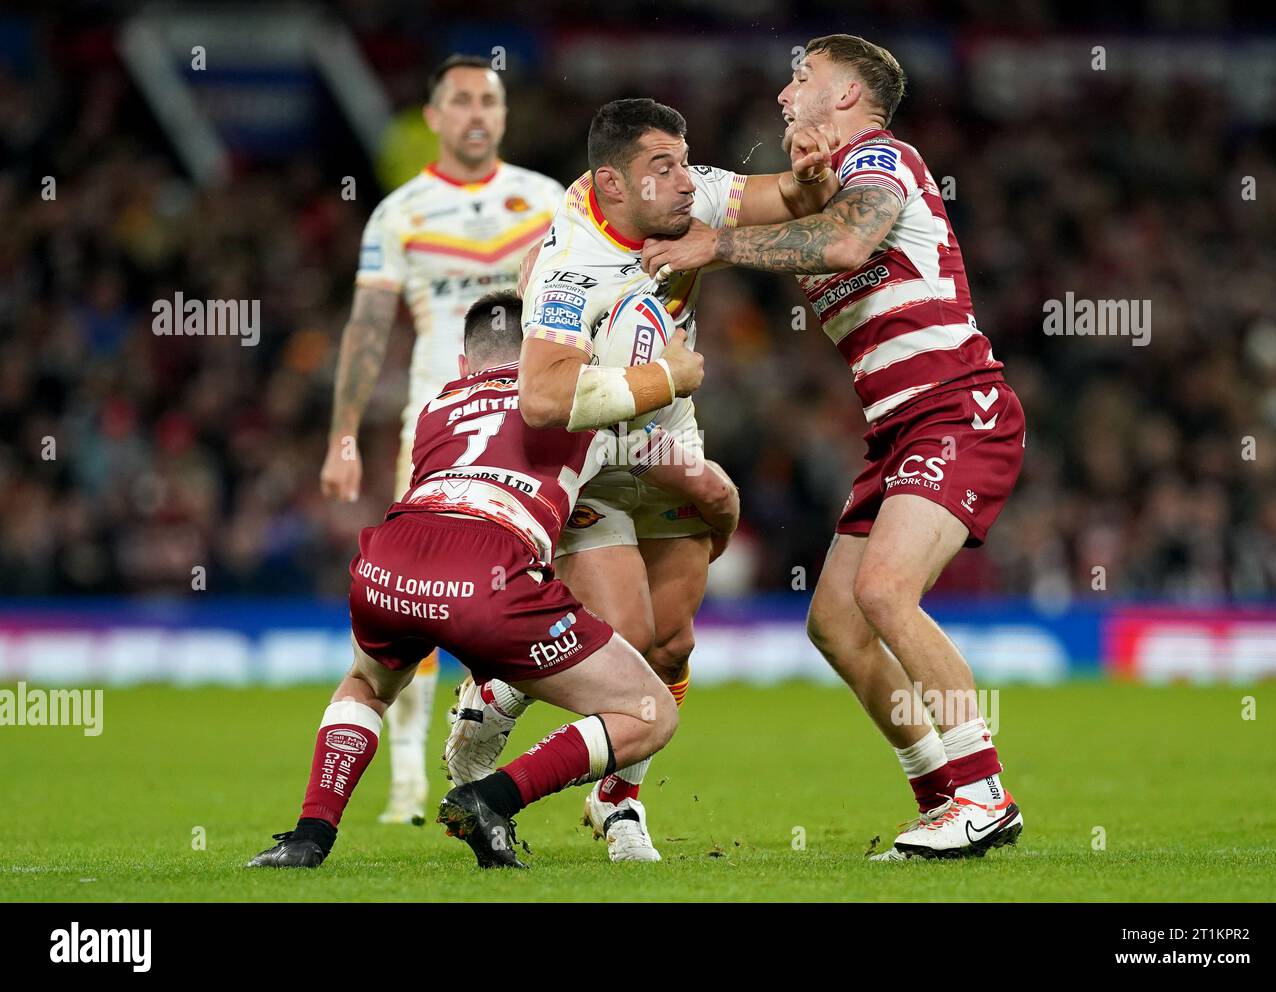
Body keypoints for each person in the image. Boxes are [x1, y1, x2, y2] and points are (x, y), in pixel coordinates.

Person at [638, 35, 1025, 859]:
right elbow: (823, 235)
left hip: (957, 408)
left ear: (848, 94)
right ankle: (940, 796)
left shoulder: (887, 158)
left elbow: (848, 246)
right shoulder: (832, 189)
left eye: (801, 78)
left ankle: (984, 793)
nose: (784, 95)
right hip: (895, 430)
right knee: (838, 627)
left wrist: (717, 245)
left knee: (886, 594)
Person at [441, 97, 840, 861]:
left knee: (673, 645)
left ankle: (618, 802)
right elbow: (545, 399)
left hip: (664, 449)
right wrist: (669, 375)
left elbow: (790, 198)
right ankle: (504, 689)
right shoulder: (568, 266)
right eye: (665, 168)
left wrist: (812, 169)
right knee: (622, 645)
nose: (686, 181)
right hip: (590, 460)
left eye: (685, 160)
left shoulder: (685, 198)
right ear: (612, 185)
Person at [249, 291, 738, 869]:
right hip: (490, 573)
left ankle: (308, 836)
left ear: (464, 364)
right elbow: (710, 490)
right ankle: (490, 798)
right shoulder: (580, 403)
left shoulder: (440, 403)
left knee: (367, 685)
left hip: (390, 559)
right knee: (650, 713)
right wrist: (720, 520)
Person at [319, 54, 565, 826]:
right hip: (438, 431)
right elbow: (366, 329)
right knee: (414, 599)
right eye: (459, 101)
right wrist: (343, 437)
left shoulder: (548, 200)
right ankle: (405, 780)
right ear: (432, 116)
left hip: (534, 421)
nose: (476, 114)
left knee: (549, 583)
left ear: (503, 114)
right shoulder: (400, 212)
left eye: (488, 100)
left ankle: (528, 760)